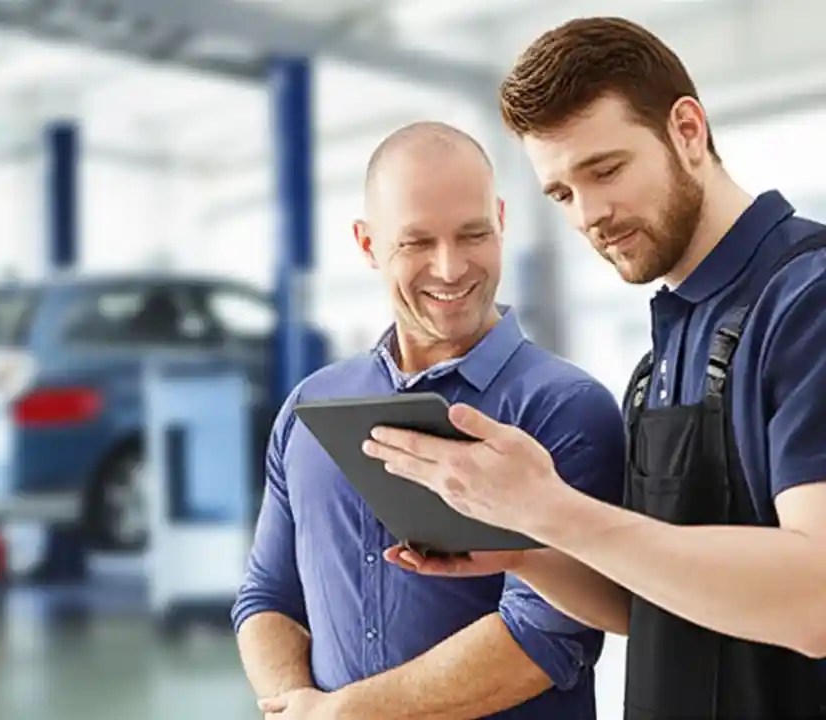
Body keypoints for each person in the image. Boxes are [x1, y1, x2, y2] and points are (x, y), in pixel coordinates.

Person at [364, 16, 826, 719]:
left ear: (688, 131)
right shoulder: (659, 356)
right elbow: (647, 604)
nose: (589, 216)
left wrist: (555, 510)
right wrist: (523, 548)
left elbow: (816, 599)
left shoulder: (806, 301)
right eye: (561, 194)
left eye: (605, 170)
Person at [231, 121, 627, 720]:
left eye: (473, 234)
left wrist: (345, 714)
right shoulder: (310, 410)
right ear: (367, 245)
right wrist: (300, 707)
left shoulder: (565, 408)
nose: (450, 268)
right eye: (417, 243)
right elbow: (267, 598)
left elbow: (543, 637)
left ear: (500, 221)